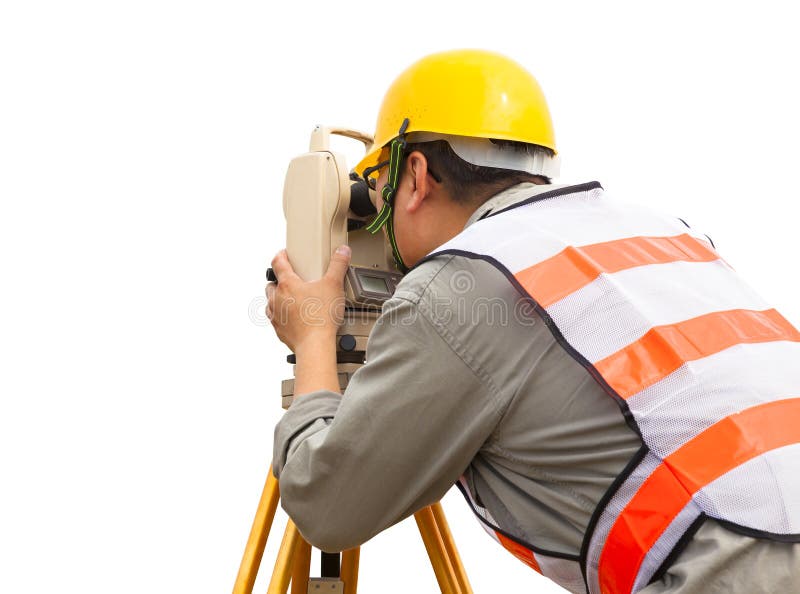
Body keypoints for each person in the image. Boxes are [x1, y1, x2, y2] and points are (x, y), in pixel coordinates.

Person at [265, 49, 800, 593]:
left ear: (417, 175)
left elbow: (330, 504)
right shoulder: (661, 232)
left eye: (383, 182)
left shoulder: (460, 283)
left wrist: (312, 338)